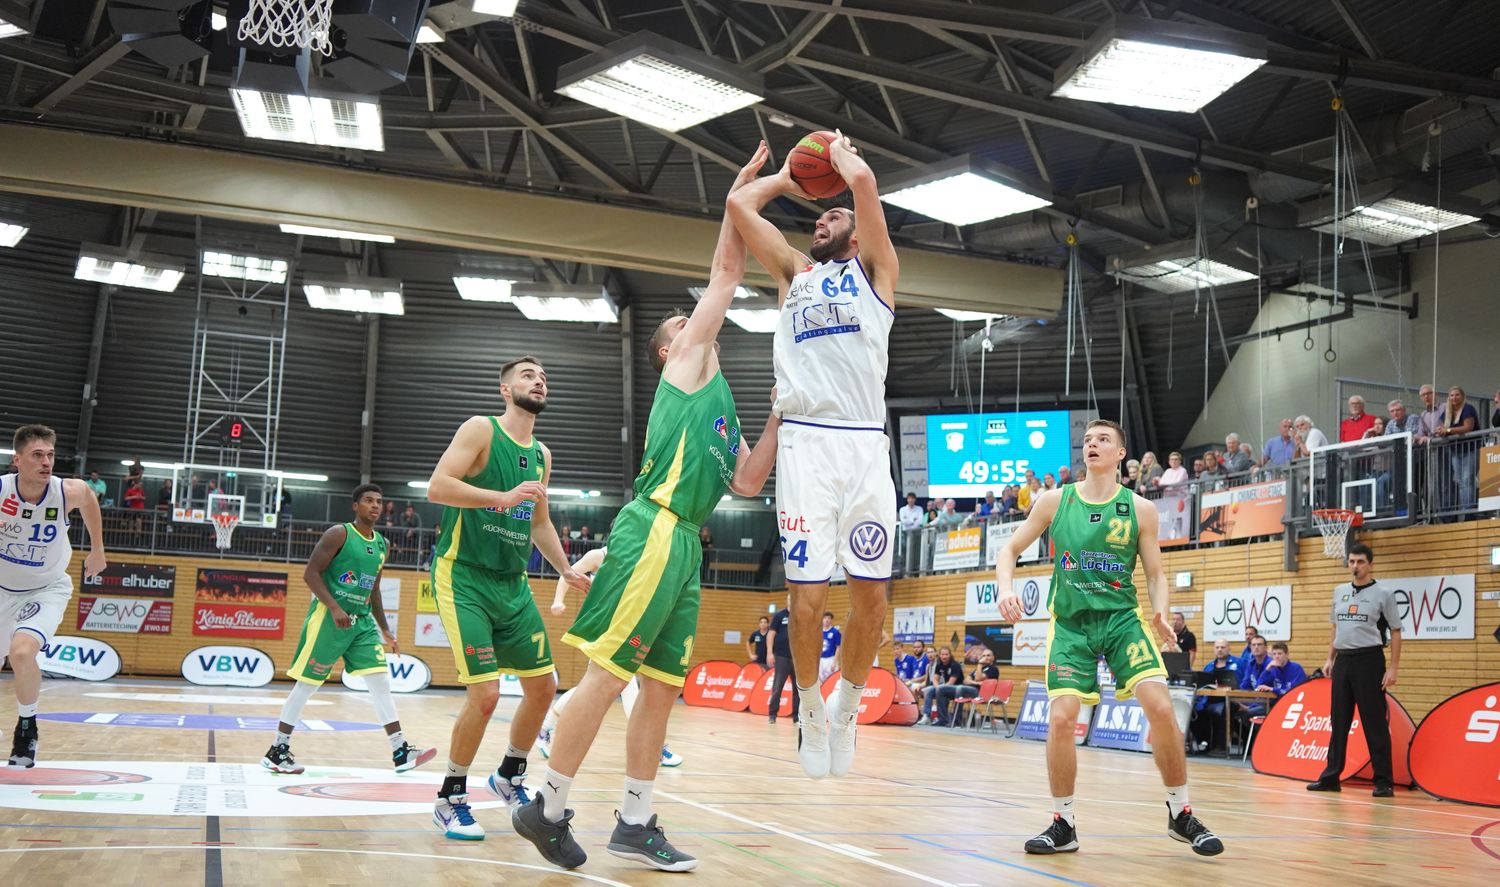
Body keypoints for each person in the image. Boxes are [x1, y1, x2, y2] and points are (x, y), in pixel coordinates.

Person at [513, 145, 780, 873]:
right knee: (607, 676)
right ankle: (549, 804)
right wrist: (742, 195)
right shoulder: (688, 367)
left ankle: (635, 820)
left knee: (661, 689)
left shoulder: (722, 412)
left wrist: (783, 414)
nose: (697, 325)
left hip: (688, 543)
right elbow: (727, 272)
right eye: (683, 325)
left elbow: (752, 483)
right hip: (655, 528)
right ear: (670, 352)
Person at [729, 129, 898, 781]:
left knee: (872, 602)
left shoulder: (876, 275)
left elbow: (863, 194)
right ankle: (807, 707)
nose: (821, 219)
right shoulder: (795, 274)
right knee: (805, 601)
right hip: (803, 442)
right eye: (819, 215)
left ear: (856, 237)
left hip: (862, 446)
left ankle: (848, 706)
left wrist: (847, 167)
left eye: (833, 216)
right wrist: (781, 181)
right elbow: (740, 210)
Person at [996, 419, 1223, 857]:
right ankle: (1064, 823)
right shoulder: (1053, 500)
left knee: (1161, 706)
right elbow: (1008, 551)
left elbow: (1156, 575)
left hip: (1122, 620)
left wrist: (1160, 611)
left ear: (1121, 454)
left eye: (1103, 440)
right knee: (1061, 718)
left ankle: (1181, 813)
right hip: (1071, 623)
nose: (1092, 445)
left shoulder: (1140, 509)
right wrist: (1006, 589)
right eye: (1087, 440)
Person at [424, 355, 588, 841]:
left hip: (512, 583)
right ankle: (450, 797)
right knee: (487, 693)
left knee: (543, 686)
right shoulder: (480, 429)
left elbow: (538, 522)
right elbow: (437, 487)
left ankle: (508, 775)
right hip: (464, 576)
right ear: (504, 388)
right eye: (528, 375)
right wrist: (501, 495)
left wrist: (565, 568)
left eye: (543, 378)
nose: (538, 381)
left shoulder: (542, 454)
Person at [262, 484, 434, 776]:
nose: (375, 506)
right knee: (307, 685)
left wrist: (386, 630)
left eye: (379, 501)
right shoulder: (339, 533)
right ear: (356, 506)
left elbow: (375, 590)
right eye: (368, 501)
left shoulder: (382, 544)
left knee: (380, 682)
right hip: (330, 619)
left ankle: (400, 749)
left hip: (362, 623)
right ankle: (278, 749)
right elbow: (310, 573)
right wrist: (334, 607)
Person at [3, 425, 107, 767]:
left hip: (45, 589)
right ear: (17, 460)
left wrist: (97, 550)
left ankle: (27, 726)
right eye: (37, 455)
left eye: (50, 454)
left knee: (21, 652)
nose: (46, 462)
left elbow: (90, 499)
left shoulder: (67, 491)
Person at [537, 546, 682, 770]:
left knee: (596, 683)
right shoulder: (599, 556)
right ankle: (656, 749)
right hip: (604, 628)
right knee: (625, 684)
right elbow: (568, 574)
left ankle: (545, 728)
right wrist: (558, 600)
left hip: (627, 626)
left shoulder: (641, 556)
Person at [1308, 543, 1404, 798]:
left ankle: (1383, 781)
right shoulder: (1339, 591)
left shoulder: (1384, 593)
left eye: (1360, 562)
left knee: (1374, 723)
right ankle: (1331, 776)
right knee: (1338, 720)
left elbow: (1395, 631)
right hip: (1343, 661)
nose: (1355, 566)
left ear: (1370, 564)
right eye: (1351, 561)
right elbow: (1335, 628)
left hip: (1369, 660)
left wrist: (1393, 667)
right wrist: (1329, 658)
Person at [1190, 640, 1240, 753]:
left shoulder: (1239, 664)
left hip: (1231, 700)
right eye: (1217, 647)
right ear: (1214, 649)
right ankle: (1205, 742)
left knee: (1225, 709)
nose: (1220, 649)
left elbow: (1243, 684)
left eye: (1223, 647)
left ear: (1229, 648)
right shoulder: (1209, 666)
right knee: (1193, 713)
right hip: (1209, 701)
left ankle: (1220, 746)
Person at [766, 599, 796, 724]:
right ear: (787, 600)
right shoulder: (779, 615)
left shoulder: (799, 614)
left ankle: (797, 717)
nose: (791, 600)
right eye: (789, 598)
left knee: (798, 689)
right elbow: (771, 634)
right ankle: (772, 714)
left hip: (797, 658)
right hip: (781, 657)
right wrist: (769, 653)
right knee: (778, 686)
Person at [919, 646, 963, 725]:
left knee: (941, 692)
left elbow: (951, 683)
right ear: (939, 655)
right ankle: (927, 716)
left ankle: (943, 719)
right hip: (944, 687)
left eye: (946, 654)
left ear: (950, 655)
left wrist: (940, 689)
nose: (944, 656)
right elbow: (935, 679)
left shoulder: (955, 665)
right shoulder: (939, 664)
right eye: (942, 654)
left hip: (956, 689)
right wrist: (937, 687)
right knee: (928, 690)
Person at [818, 611, 842, 683]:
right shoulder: (818, 631)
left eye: (828, 618)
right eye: (825, 618)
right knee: (820, 681)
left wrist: (834, 662)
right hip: (820, 659)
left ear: (831, 620)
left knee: (832, 680)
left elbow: (838, 647)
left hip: (830, 659)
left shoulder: (835, 632)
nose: (826, 620)